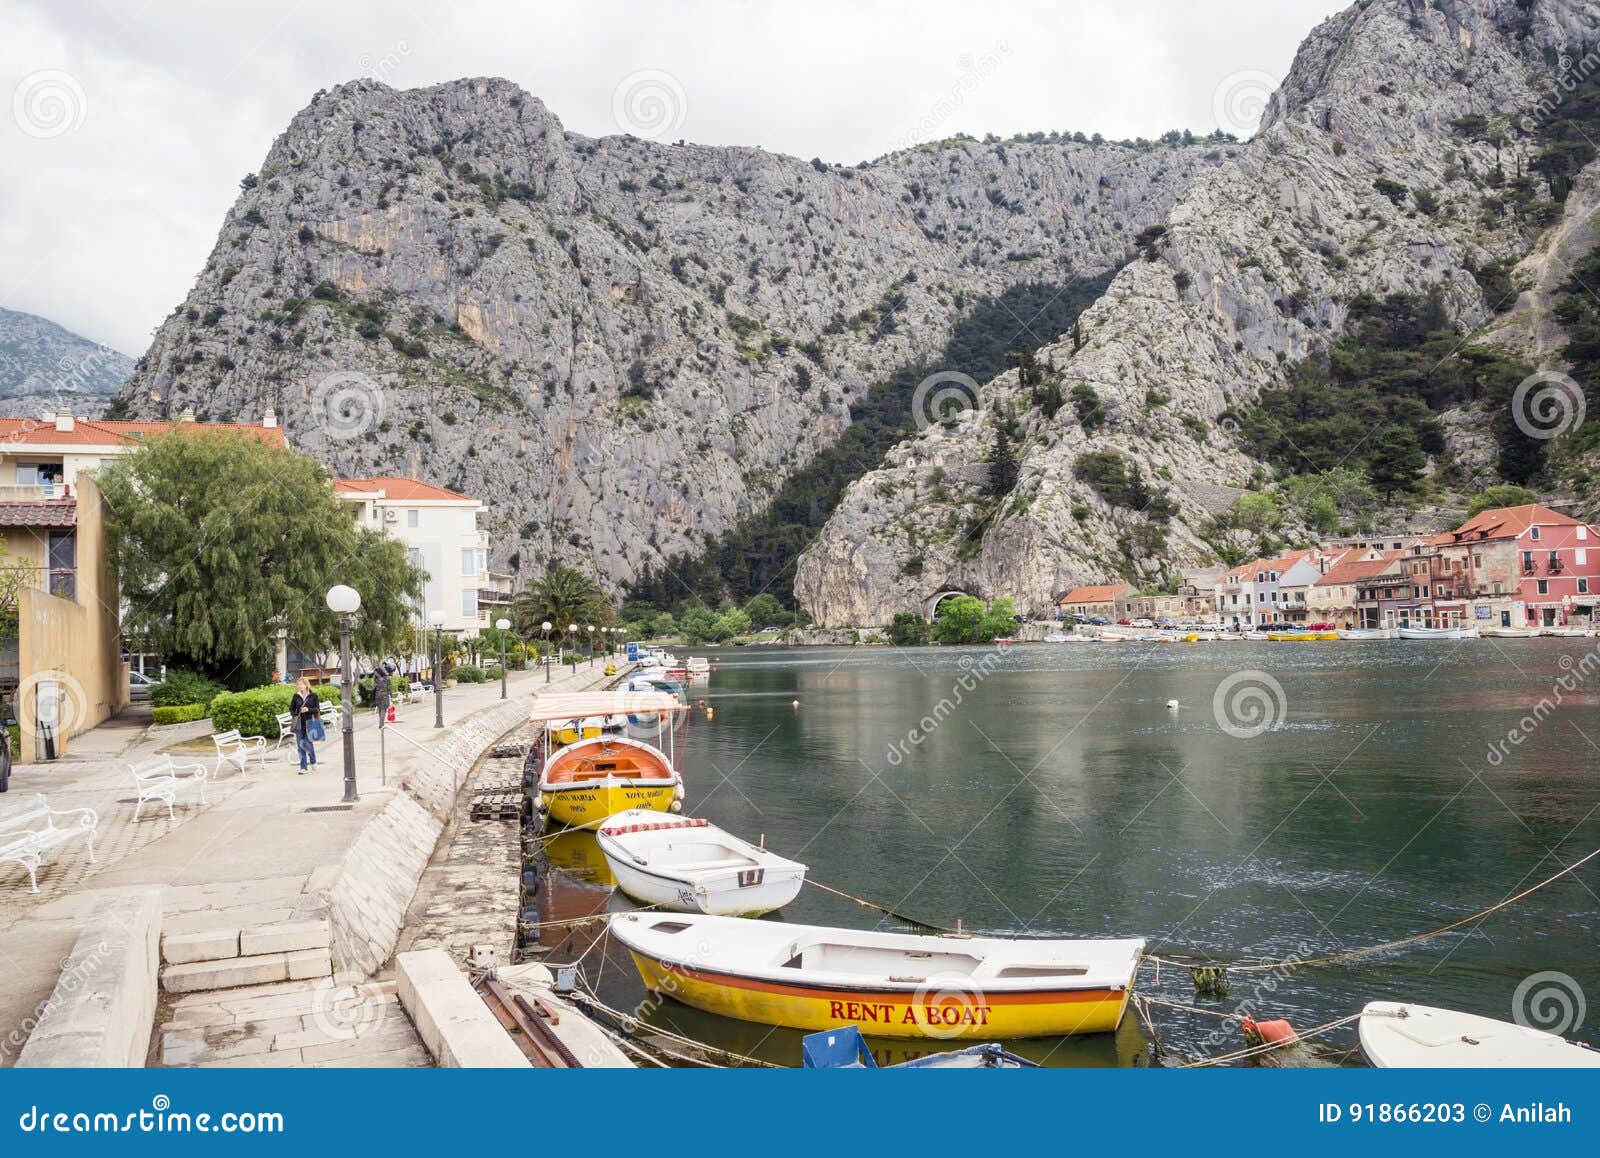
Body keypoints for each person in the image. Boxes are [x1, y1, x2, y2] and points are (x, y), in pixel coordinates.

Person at [290, 677, 321, 774]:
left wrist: (308, 710)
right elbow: (291, 709)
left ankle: (313, 761)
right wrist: (296, 714)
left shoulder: (313, 696)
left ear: (306, 685)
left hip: (310, 723)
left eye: (301, 684)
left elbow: (317, 709)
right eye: (298, 684)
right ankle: (303, 767)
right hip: (299, 725)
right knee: (300, 746)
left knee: (308, 744)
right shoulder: (296, 696)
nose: (299, 686)